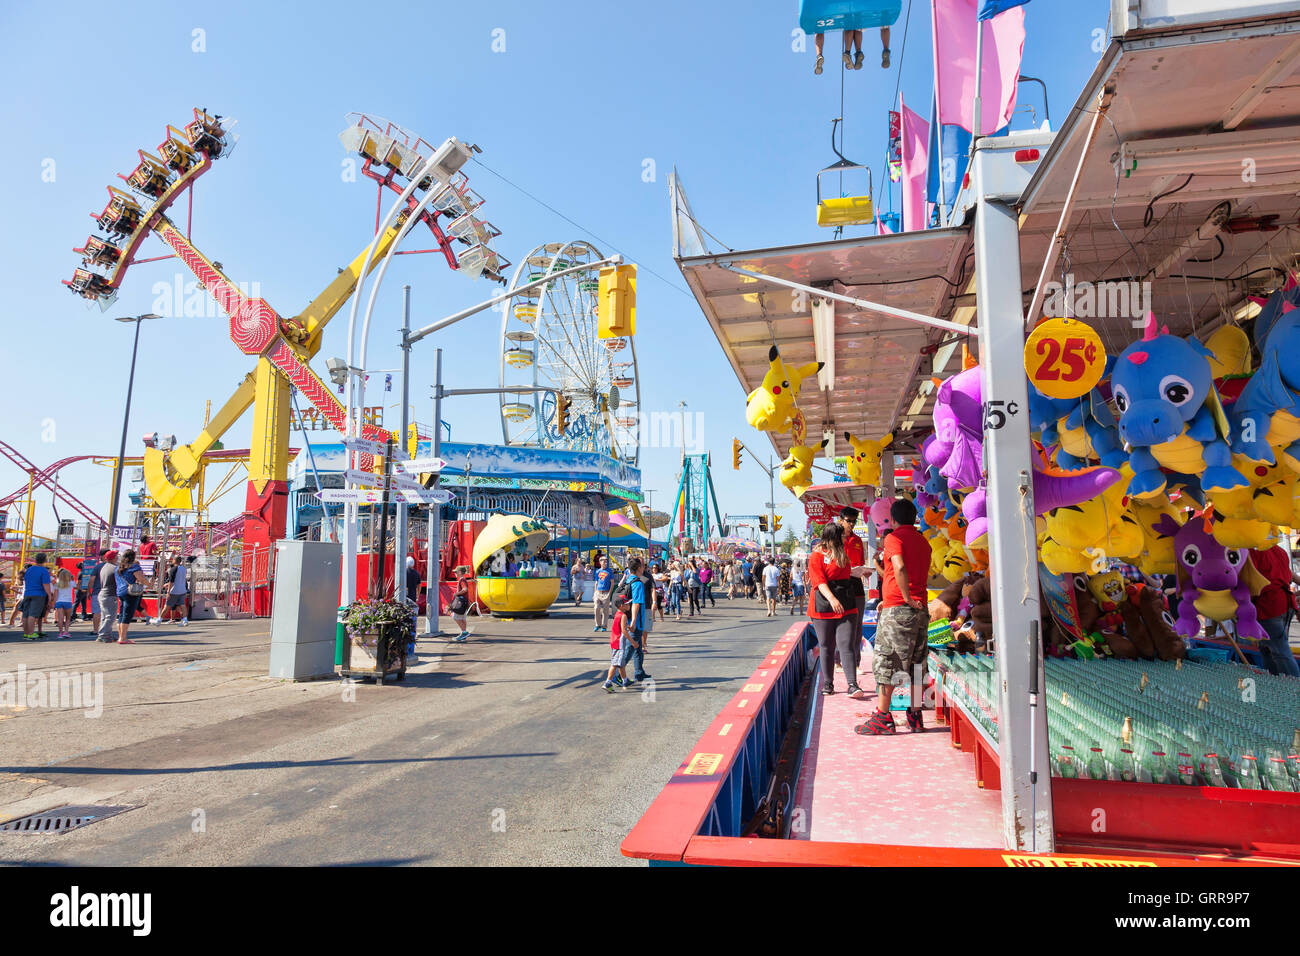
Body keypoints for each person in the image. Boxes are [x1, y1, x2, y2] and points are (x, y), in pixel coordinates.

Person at [858, 498, 931, 735]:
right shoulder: (923, 541)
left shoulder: (893, 538)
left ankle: (882, 718)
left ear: (895, 519)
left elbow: (899, 566)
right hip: (919, 610)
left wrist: (904, 597)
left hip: (900, 609)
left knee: (886, 663)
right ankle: (915, 716)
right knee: (917, 664)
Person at [808, 524, 866, 698]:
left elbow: (844, 574)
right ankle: (828, 683)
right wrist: (832, 600)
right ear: (833, 537)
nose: (845, 539)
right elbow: (819, 581)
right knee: (827, 645)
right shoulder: (817, 555)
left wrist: (858, 572)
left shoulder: (842, 553)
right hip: (824, 605)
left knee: (846, 644)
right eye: (842, 536)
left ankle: (852, 684)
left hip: (847, 603)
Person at [1250, 545, 1300, 678]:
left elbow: (1250, 583)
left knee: (1279, 651)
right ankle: (1275, 683)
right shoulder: (1278, 550)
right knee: (1268, 649)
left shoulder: (1250, 552)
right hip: (1284, 603)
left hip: (1268, 605)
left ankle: (1293, 689)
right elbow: (1288, 575)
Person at [838, 507, 867, 671]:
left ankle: (855, 662)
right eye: (848, 521)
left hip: (856, 584)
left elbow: (860, 563)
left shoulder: (857, 540)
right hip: (839, 585)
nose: (851, 524)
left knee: (857, 625)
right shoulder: (833, 540)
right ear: (841, 520)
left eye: (854, 521)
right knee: (839, 623)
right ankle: (837, 660)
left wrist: (865, 571)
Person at [625, 556, 651, 682]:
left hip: (627, 618)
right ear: (639, 568)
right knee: (630, 648)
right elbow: (636, 603)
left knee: (638, 649)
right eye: (642, 565)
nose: (644, 567)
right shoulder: (638, 583)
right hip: (636, 622)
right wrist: (634, 621)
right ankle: (617, 674)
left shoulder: (628, 580)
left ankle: (639, 672)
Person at [602, 597, 637, 692]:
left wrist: (628, 627)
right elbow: (624, 631)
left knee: (620, 663)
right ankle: (607, 683)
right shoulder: (624, 616)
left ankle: (625, 680)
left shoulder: (617, 614)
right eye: (627, 604)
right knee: (615, 664)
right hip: (619, 642)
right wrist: (633, 642)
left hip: (614, 640)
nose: (629, 605)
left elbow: (621, 626)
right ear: (622, 606)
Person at [114, 548, 147, 645]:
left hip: (120, 592)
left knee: (122, 614)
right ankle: (123, 638)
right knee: (127, 615)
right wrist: (149, 585)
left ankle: (120, 636)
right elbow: (141, 579)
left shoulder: (118, 567)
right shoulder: (134, 567)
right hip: (130, 592)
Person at [20, 552, 54, 641]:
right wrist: (49, 595)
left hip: (27, 593)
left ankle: (26, 633)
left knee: (25, 614)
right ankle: (31, 633)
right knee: (33, 614)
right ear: (45, 560)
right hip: (39, 594)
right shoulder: (44, 571)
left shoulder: (29, 569)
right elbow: (45, 584)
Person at [97, 550, 119, 642]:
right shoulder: (114, 568)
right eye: (116, 556)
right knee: (110, 616)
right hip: (110, 594)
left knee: (105, 616)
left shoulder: (104, 567)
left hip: (103, 593)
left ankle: (106, 634)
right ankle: (103, 635)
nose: (118, 558)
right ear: (113, 558)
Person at [448, 564, 472, 642]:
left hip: (460, 603)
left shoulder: (462, 580)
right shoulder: (463, 579)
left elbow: (465, 589)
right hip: (464, 603)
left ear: (460, 572)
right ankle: (463, 634)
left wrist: (456, 594)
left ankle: (464, 632)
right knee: (462, 618)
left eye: (456, 571)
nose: (455, 573)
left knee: (455, 617)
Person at [164, 556, 190, 625]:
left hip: (175, 590)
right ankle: (184, 619)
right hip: (182, 589)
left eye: (173, 560)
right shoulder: (184, 569)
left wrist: (168, 591)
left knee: (168, 605)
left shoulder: (174, 569)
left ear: (175, 561)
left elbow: (172, 581)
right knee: (182, 605)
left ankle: (159, 619)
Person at [592, 554, 615, 632]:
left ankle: (604, 626)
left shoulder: (609, 571)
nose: (605, 563)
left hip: (606, 592)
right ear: (600, 562)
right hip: (598, 592)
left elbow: (612, 583)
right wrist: (595, 593)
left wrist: (609, 593)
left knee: (605, 610)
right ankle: (597, 624)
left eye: (606, 561)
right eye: (603, 561)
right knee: (596, 608)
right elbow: (596, 582)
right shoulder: (598, 571)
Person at [53, 567, 75, 639]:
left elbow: (55, 595)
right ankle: (66, 632)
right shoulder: (71, 583)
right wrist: (73, 579)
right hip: (68, 602)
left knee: (60, 619)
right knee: (68, 618)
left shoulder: (57, 584)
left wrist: (54, 603)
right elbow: (77, 587)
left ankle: (60, 633)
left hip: (59, 602)